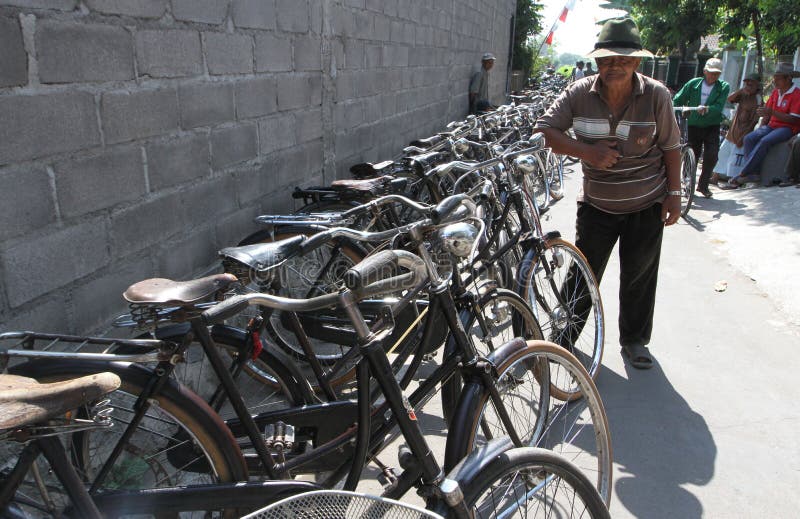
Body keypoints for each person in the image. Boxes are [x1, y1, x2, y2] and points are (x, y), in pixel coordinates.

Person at [534, 17, 682, 370]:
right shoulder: (579, 93)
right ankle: (566, 337)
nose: (615, 64)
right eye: (608, 58)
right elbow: (545, 131)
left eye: (624, 58)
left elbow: (672, 147)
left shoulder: (656, 95)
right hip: (598, 205)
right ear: (597, 61)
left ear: (637, 62)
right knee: (584, 273)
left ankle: (634, 341)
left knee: (639, 275)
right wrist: (588, 152)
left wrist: (674, 193)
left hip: (646, 203)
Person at [722, 62, 800, 188]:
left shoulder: (797, 94)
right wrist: (762, 125)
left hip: (788, 128)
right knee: (749, 138)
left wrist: (772, 112)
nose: (775, 81)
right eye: (775, 78)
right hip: (772, 126)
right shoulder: (775, 92)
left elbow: (794, 119)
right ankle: (753, 173)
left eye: (778, 78)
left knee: (765, 141)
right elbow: (767, 112)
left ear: (788, 78)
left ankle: (743, 174)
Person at [672, 57, 730, 198]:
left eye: (716, 74)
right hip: (693, 125)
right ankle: (687, 182)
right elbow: (678, 99)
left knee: (712, 155)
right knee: (692, 153)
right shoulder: (694, 84)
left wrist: (707, 109)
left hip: (712, 125)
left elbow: (719, 106)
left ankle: (703, 186)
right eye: (711, 72)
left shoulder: (723, 87)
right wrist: (681, 109)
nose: (713, 76)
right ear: (705, 71)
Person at [711, 72, 762, 184]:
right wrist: (741, 90)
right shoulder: (743, 94)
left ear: (757, 85)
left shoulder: (758, 99)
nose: (748, 86)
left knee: (736, 159)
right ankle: (715, 177)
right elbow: (729, 99)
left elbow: (754, 121)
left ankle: (733, 181)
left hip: (743, 132)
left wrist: (743, 137)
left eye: (751, 84)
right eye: (746, 84)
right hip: (733, 130)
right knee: (723, 153)